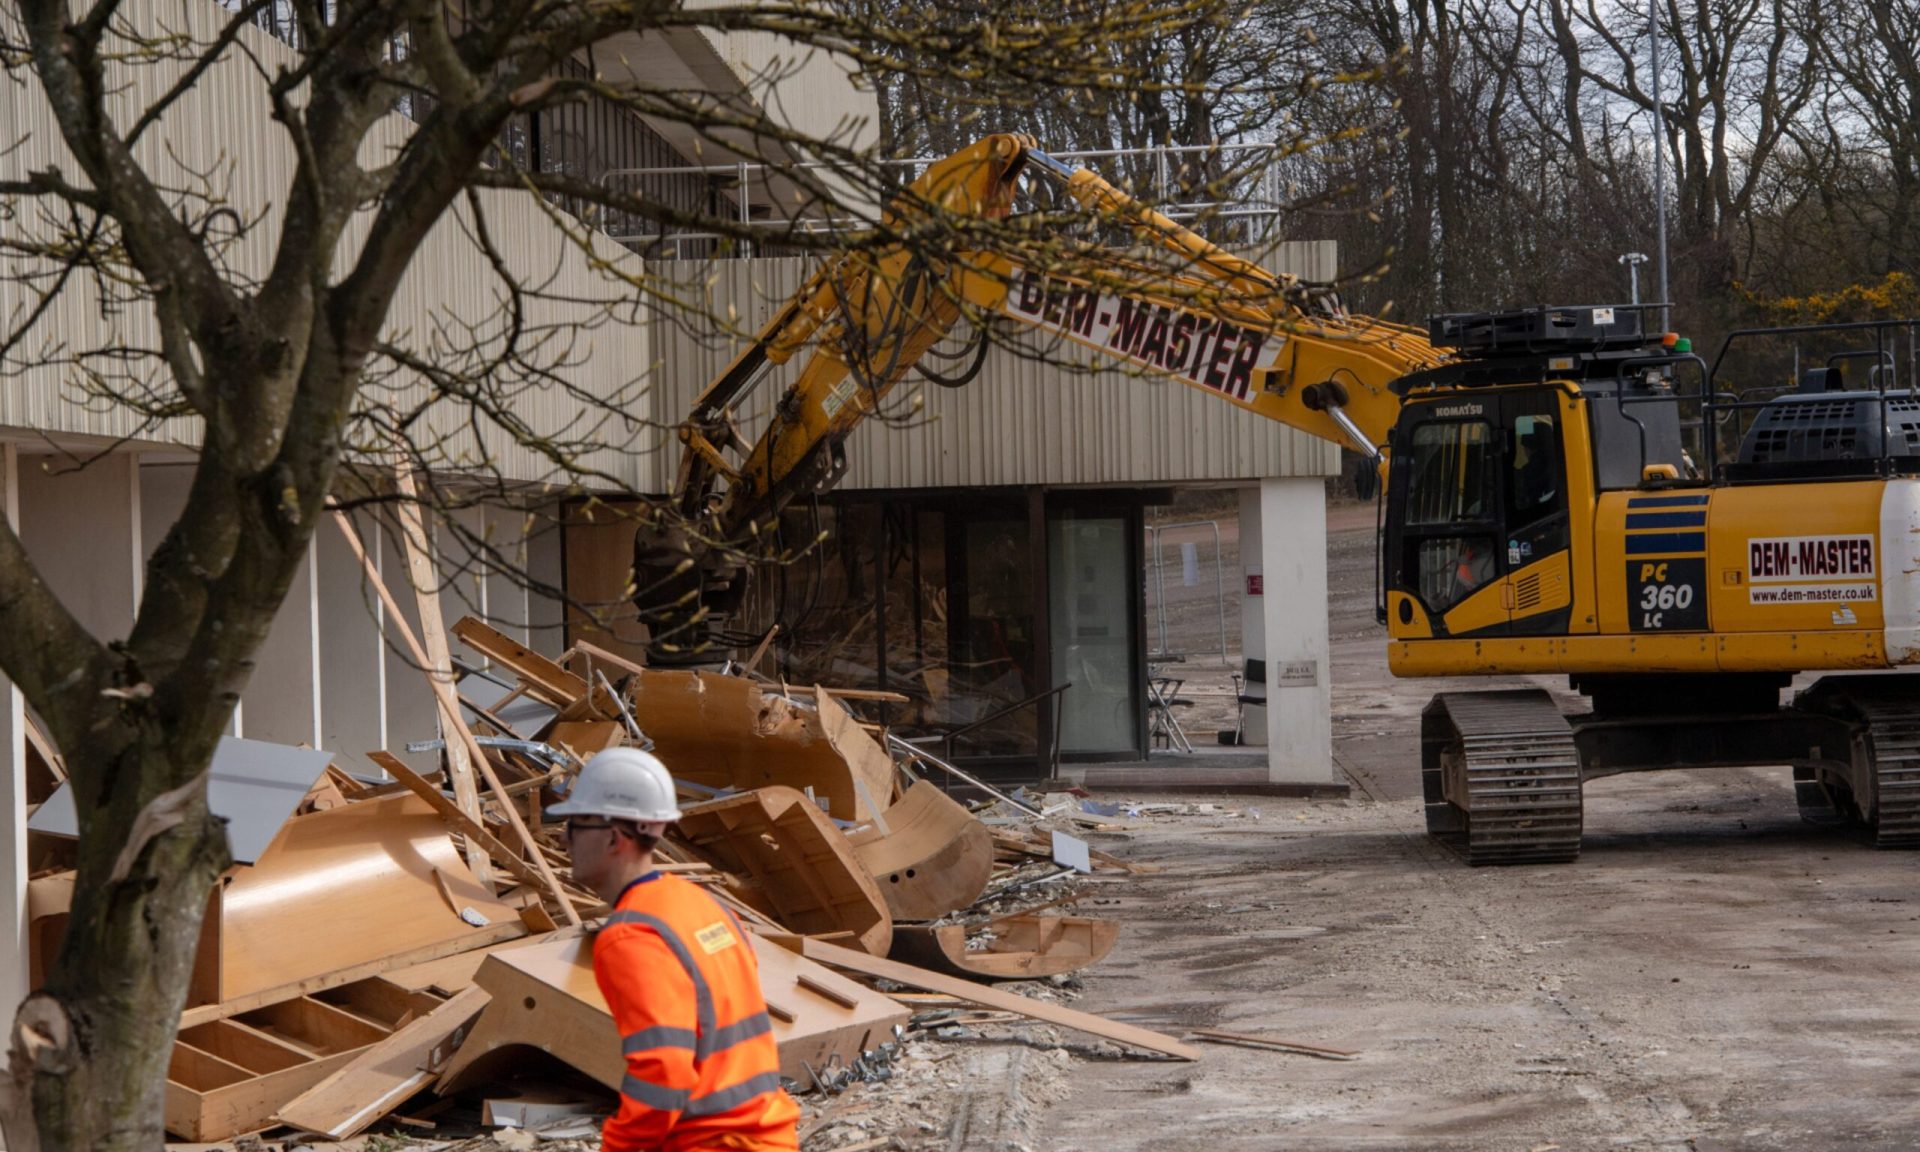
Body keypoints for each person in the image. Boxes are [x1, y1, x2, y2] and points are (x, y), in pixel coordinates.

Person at [550, 748, 800, 1152]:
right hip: (767, 1135)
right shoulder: (702, 905)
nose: (563, 838)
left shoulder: (632, 935)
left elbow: (663, 1072)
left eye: (575, 825)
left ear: (614, 837)